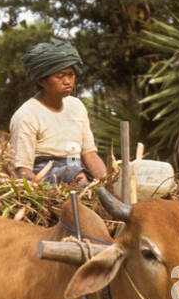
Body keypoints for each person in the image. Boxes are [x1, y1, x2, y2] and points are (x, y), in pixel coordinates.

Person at [10, 38, 108, 187]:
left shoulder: (77, 106)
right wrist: (45, 191)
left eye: (71, 75)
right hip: (46, 173)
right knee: (79, 177)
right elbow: (23, 171)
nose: (68, 81)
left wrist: (107, 182)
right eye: (60, 76)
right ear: (41, 80)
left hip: (77, 167)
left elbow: (90, 155)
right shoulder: (26, 115)